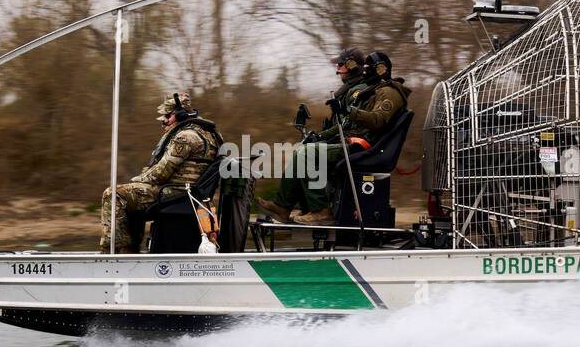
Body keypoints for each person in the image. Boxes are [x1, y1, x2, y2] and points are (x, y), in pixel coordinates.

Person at [257, 49, 410, 226]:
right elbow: (346, 125)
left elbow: (377, 120)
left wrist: (347, 110)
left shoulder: (389, 93)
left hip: (364, 147)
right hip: (354, 142)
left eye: (368, 69)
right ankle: (282, 207)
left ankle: (321, 211)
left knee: (308, 154)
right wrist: (320, 136)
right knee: (304, 150)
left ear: (381, 70)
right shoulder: (373, 91)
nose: (364, 72)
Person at [99, 92, 222, 253]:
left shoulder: (185, 137)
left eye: (167, 115)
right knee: (130, 194)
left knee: (114, 194)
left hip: (175, 193)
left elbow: (160, 174)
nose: (163, 121)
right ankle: (128, 250)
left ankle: (112, 251)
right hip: (189, 194)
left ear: (180, 114)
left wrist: (137, 180)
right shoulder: (211, 135)